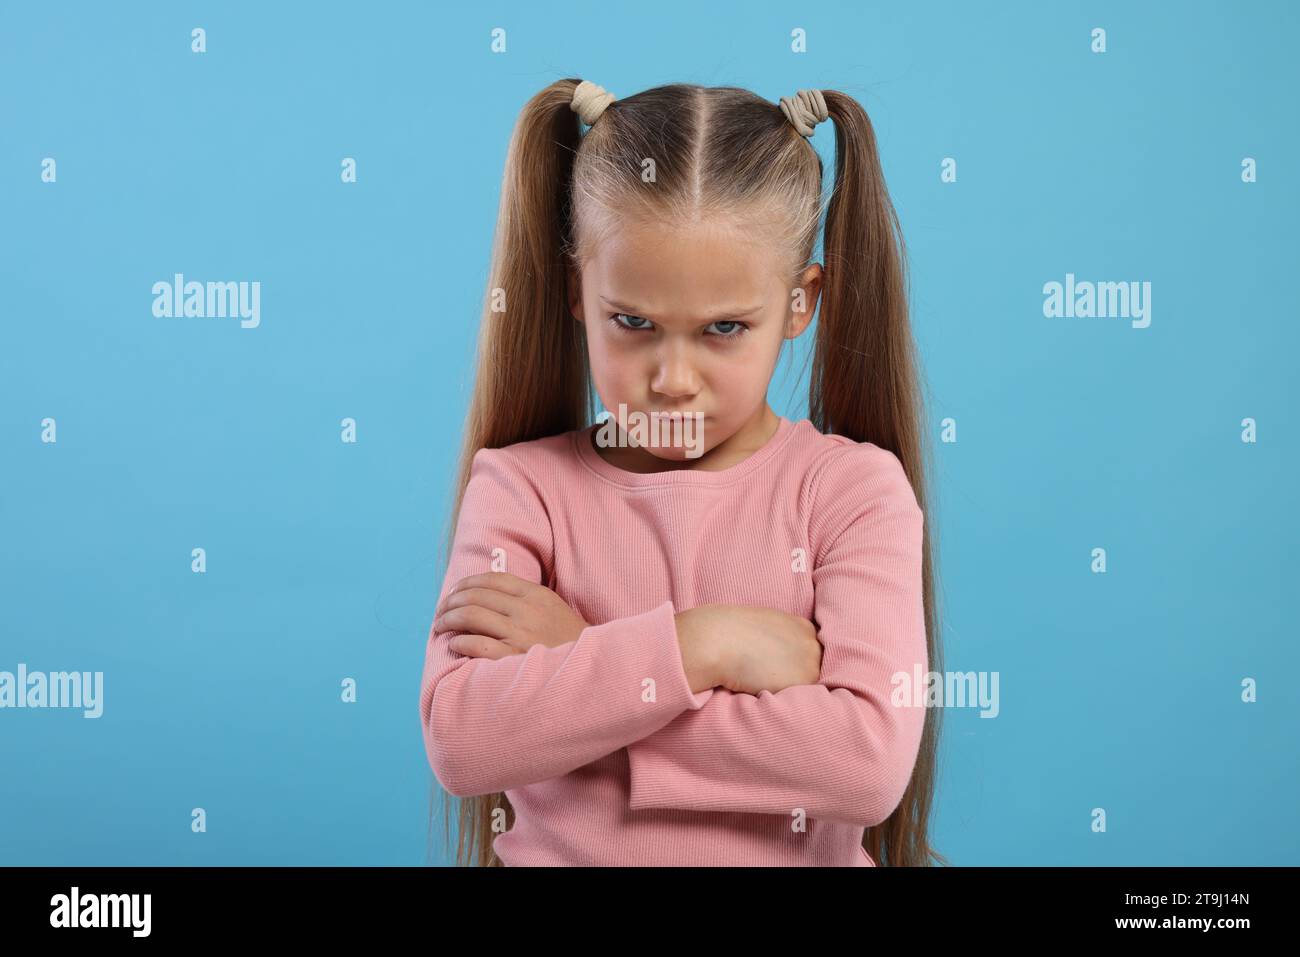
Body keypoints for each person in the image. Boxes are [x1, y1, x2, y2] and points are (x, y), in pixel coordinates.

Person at [418, 79, 945, 866]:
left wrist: (583, 656)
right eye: (632, 322)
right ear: (576, 291)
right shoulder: (521, 488)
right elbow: (464, 740)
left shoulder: (851, 494)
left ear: (801, 303)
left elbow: (864, 764)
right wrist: (707, 644)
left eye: (724, 328)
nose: (672, 378)